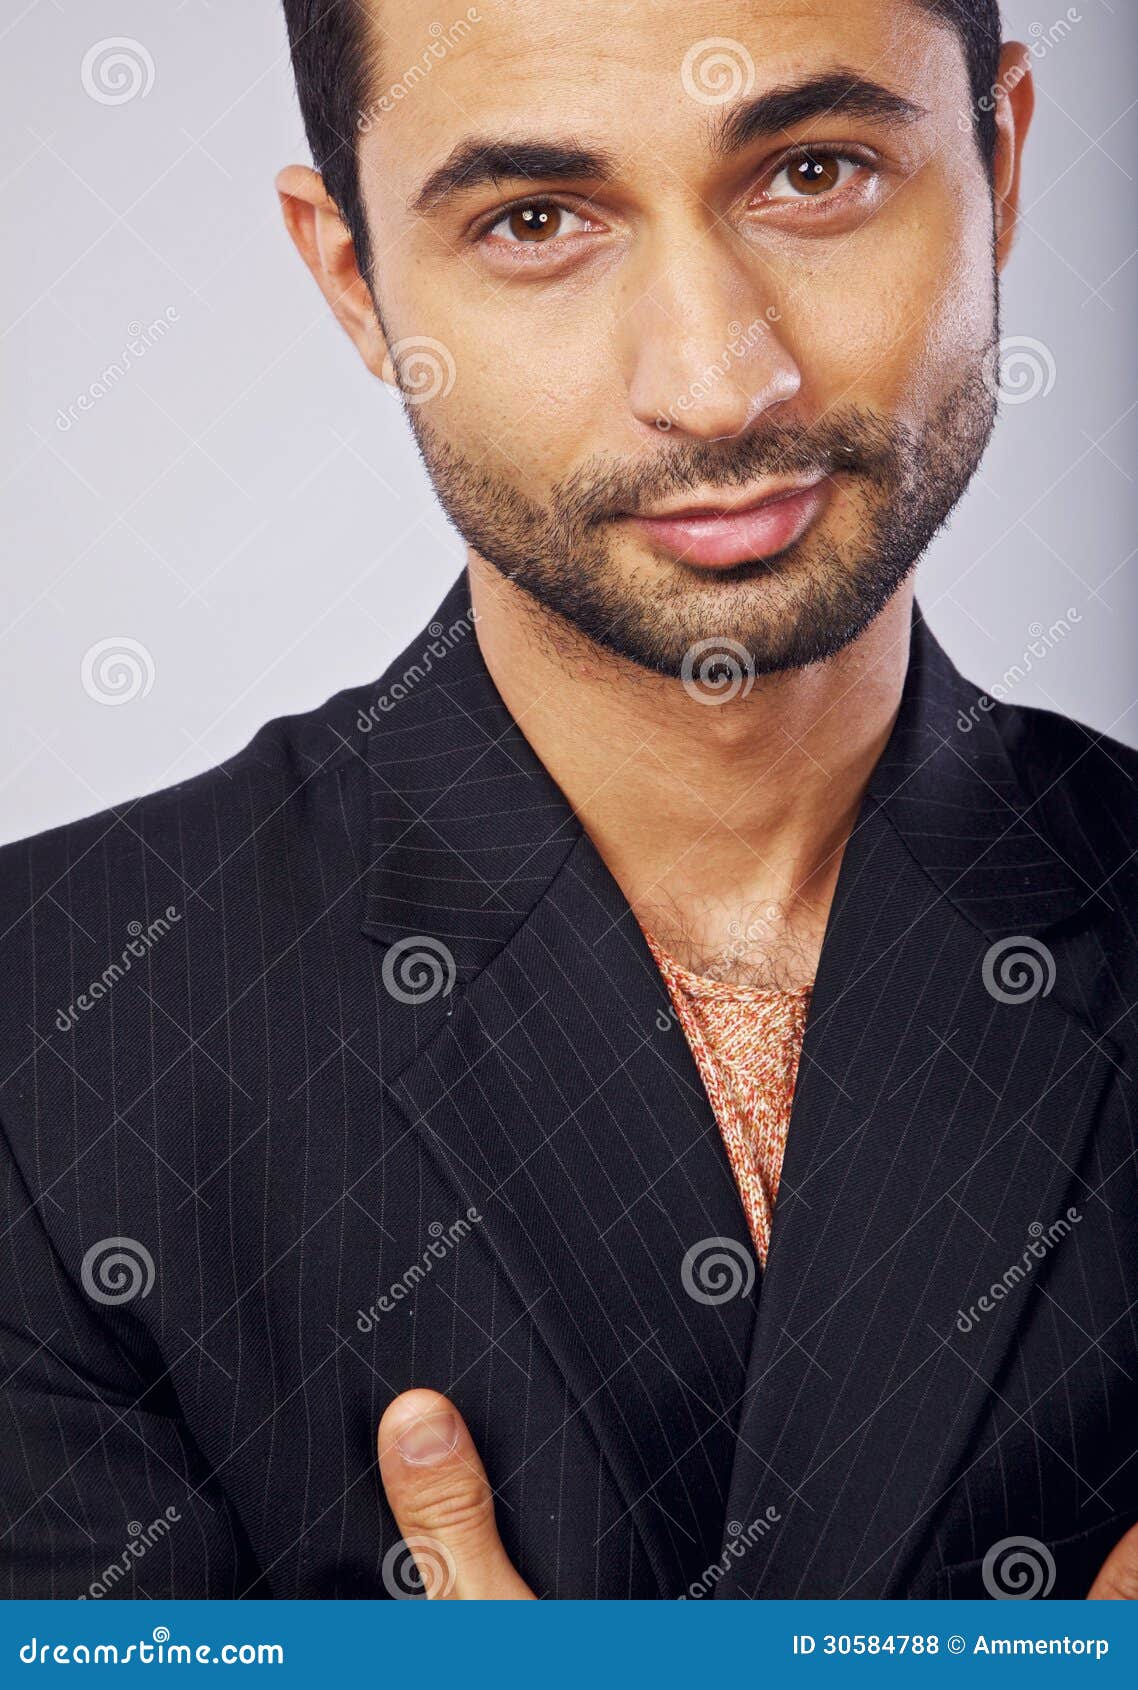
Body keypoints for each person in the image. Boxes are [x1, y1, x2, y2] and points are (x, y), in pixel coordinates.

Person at [1, 0, 1135, 1599]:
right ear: (354, 277)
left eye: (812, 173)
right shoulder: (46, 1024)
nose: (715, 380)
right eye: (536, 220)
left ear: (999, 160)